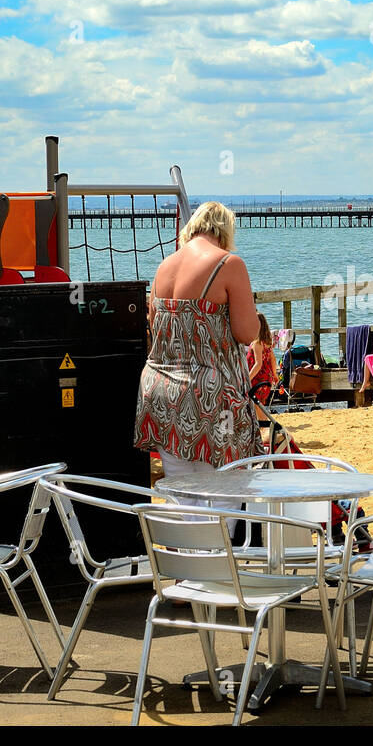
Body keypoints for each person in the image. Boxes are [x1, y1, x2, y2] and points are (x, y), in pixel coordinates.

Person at [135, 202, 262, 526]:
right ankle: (215, 570)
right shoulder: (228, 264)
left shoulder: (165, 266)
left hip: (161, 390)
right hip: (209, 394)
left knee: (181, 492)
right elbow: (247, 332)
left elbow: (154, 325)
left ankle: (188, 570)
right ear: (224, 231)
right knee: (222, 492)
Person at [246, 312, 278, 406]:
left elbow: (258, 364)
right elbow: (272, 359)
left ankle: (263, 421)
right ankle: (264, 421)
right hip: (267, 376)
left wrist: (247, 378)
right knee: (261, 404)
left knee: (256, 405)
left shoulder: (257, 343)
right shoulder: (266, 342)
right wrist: (275, 375)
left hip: (257, 378)